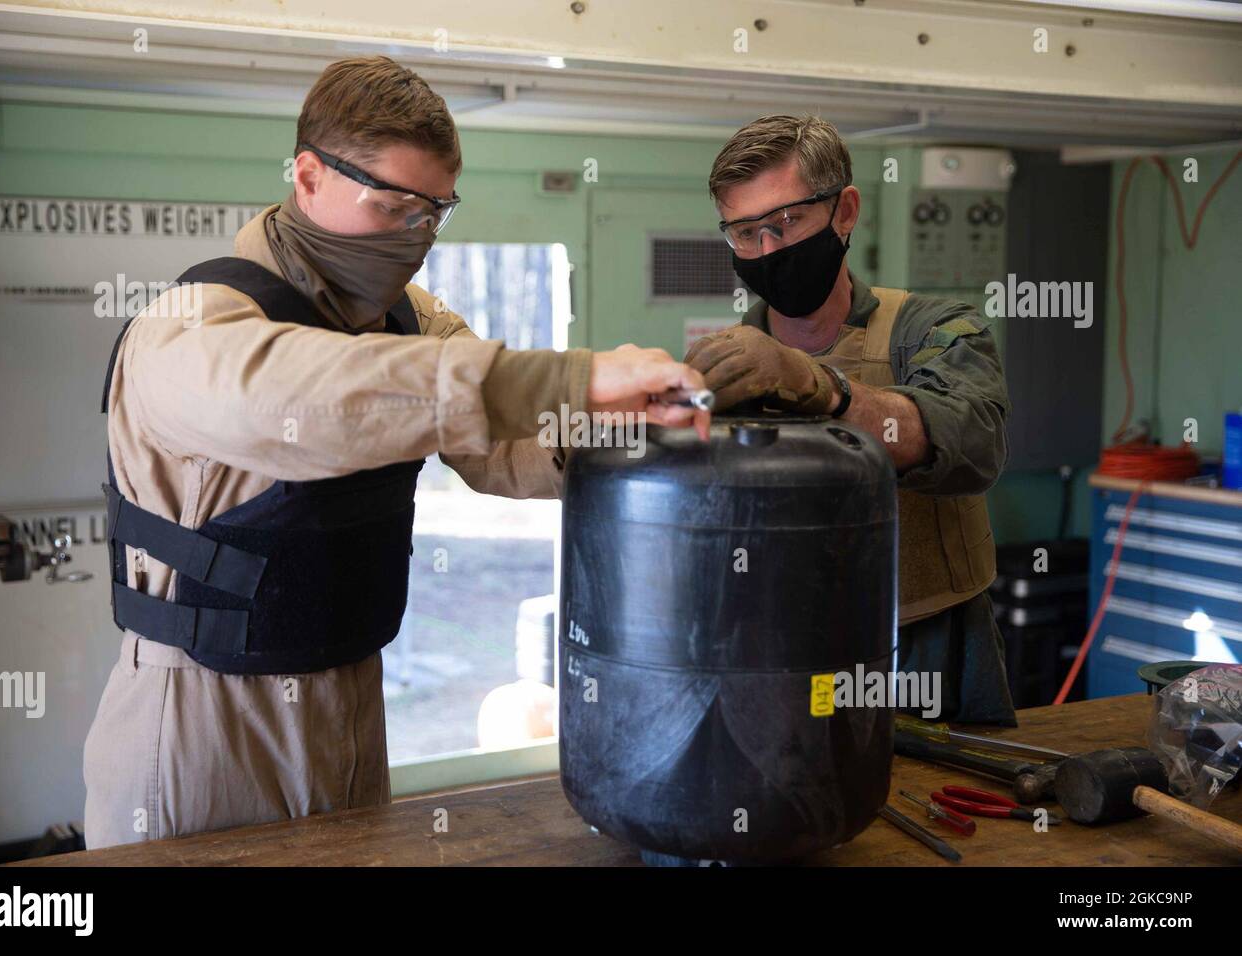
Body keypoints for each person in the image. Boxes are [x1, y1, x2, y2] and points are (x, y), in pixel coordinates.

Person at [83, 56, 707, 848]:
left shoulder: (407, 319)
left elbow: (509, 447)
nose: (416, 238)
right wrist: (577, 376)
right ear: (308, 177)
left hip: (351, 702)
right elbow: (319, 403)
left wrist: (646, 435)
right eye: (393, 206)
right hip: (203, 723)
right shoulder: (190, 324)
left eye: (434, 213)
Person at [685, 114, 1014, 725]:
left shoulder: (935, 330)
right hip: (780, 653)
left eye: (786, 223)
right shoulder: (724, 367)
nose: (767, 251)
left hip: (928, 648)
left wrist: (816, 386)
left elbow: (974, 443)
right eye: (743, 233)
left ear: (844, 211)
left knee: (956, 801)